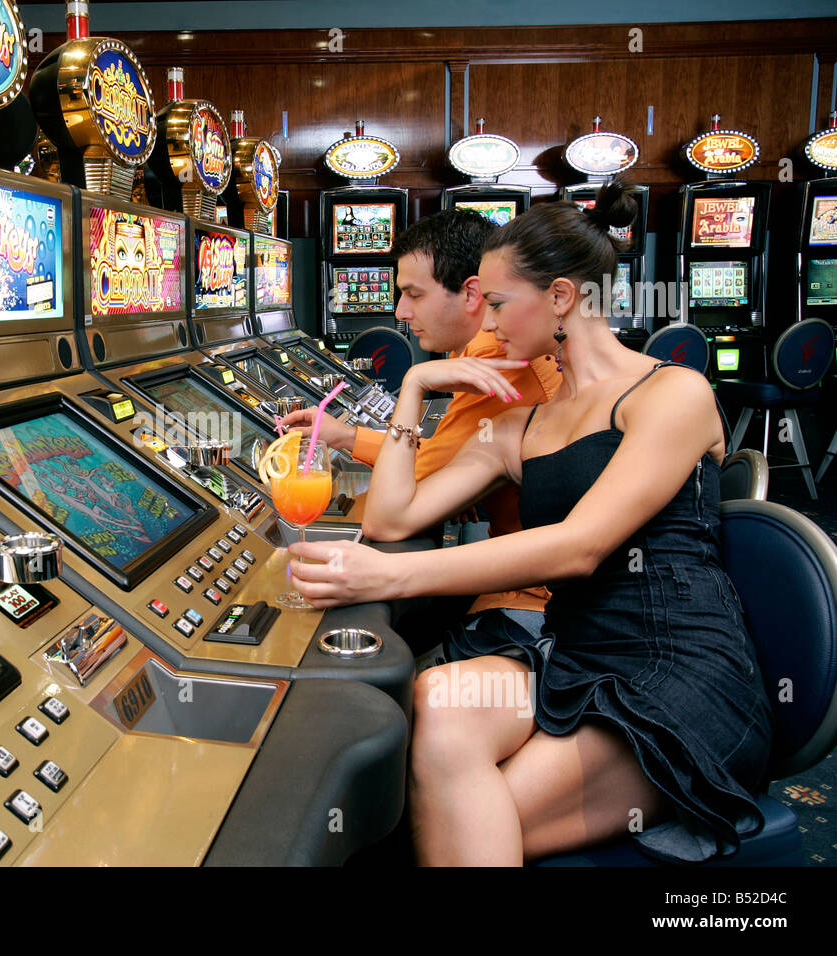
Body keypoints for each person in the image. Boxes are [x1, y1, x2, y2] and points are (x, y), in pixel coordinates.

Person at [286, 183, 772, 865]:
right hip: (575, 651)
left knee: (440, 823)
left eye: (499, 302)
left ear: (563, 299)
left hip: (675, 666)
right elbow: (396, 515)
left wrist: (392, 572)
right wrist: (416, 387)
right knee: (439, 696)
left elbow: (580, 547)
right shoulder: (521, 424)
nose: (489, 321)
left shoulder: (673, 393)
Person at [282, 209, 560, 642]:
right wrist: (347, 436)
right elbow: (437, 460)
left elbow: (396, 506)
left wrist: (411, 387)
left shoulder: (495, 359)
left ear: (471, 294)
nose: (399, 311)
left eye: (413, 294)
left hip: (536, 597)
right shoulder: (475, 350)